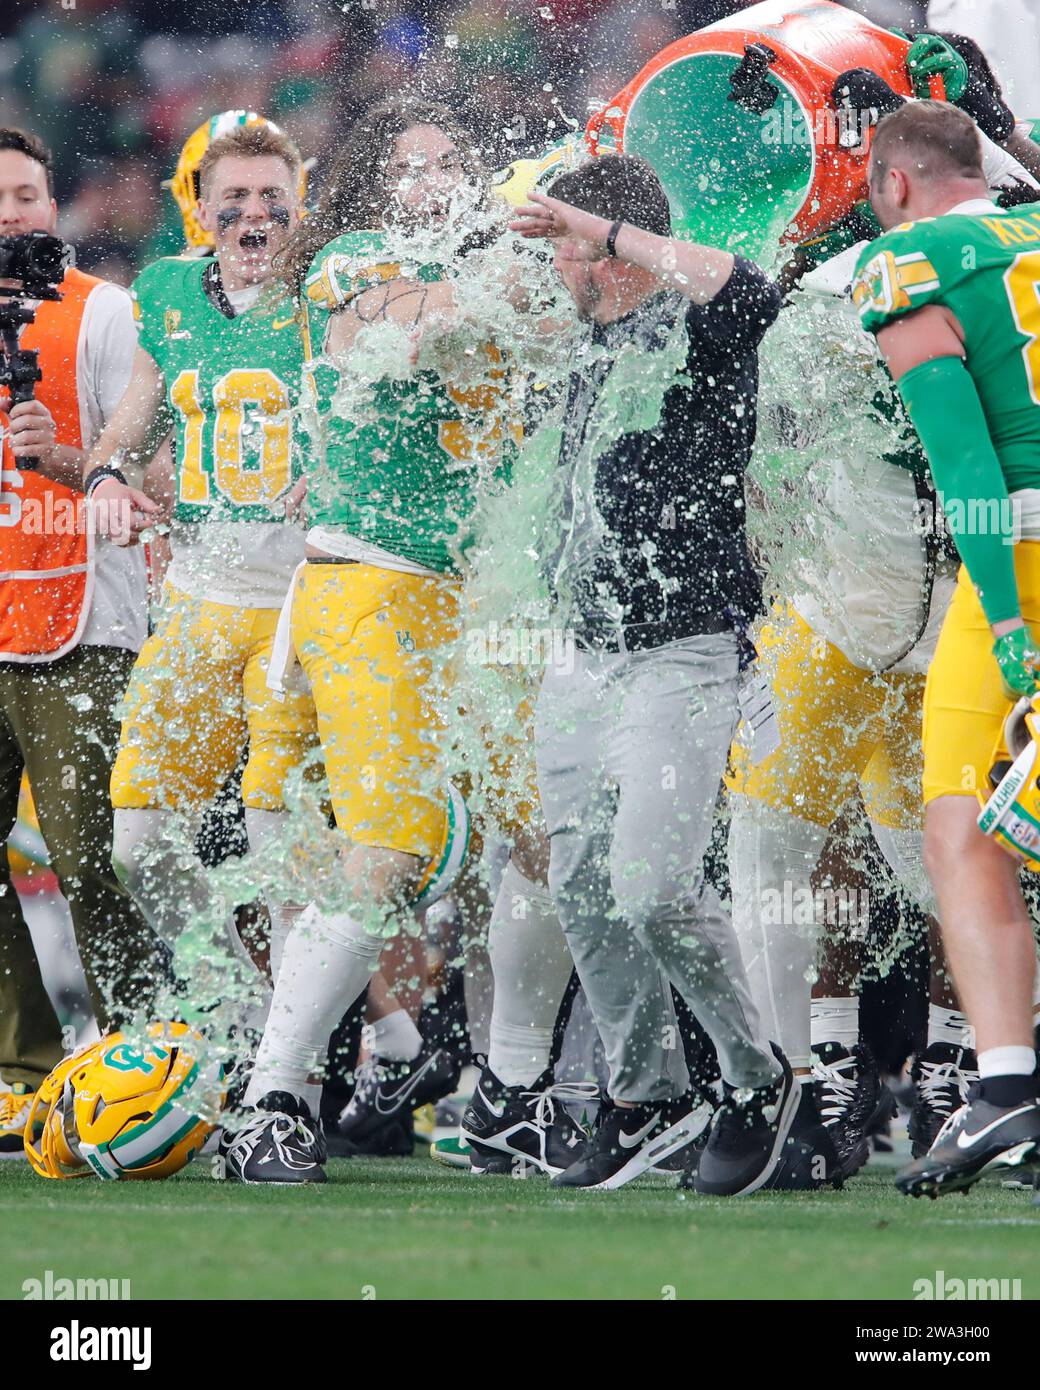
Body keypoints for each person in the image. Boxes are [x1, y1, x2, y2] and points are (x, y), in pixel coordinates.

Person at [218, 98, 534, 1184]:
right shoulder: (347, 256)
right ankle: (272, 1098)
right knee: (368, 854)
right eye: (408, 166)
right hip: (364, 592)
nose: (428, 182)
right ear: (372, 184)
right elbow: (377, 331)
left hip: (447, 610)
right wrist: (508, 273)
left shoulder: (500, 275)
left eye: (449, 165)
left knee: (518, 837)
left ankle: (505, 1086)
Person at [509, 155, 801, 1196]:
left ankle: (755, 1077)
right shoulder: (584, 343)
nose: (552, 271)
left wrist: (612, 235)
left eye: (563, 250)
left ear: (615, 254)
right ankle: (643, 1096)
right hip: (581, 649)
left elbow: (753, 290)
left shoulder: (703, 330)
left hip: (684, 646)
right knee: (584, 886)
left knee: (653, 883)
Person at [81, 122, 316, 1017]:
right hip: (197, 601)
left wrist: (335, 463)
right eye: (237, 198)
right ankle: (246, 1018)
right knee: (139, 843)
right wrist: (108, 473)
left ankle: (288, 1083)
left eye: (272, 197)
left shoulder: (327, 294)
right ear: (204, 209)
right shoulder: (170, 290)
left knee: (280, 848)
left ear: (300, 206)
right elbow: (135, 421)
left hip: (300, 602)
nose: (255, 213)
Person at [851, 98, 1040, 1195]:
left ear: (894, 186)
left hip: (1015, 559)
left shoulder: (903, 264)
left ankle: (1006, 1088)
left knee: (962, 826)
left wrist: (1008, 627)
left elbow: (963, 467)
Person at [0, 127, 160, 1152]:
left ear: (53, 207)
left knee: (97, 861)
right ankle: (19, 1072)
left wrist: (60, 456)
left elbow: (149, 487)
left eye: (25, 194)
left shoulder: (107, 314)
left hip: (82, 623)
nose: (12, 212)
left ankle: (147, 1060)